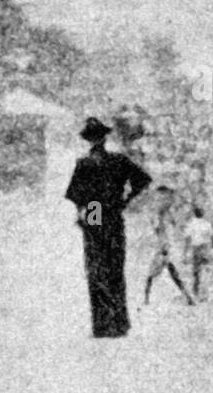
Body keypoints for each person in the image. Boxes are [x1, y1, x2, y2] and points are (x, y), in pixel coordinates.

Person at [64, 117, 152, 337]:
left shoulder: (84, 163)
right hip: (113, 212)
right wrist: (125, 199)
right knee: (115, 267)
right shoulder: (119, 160)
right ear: (105, 138)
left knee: (96, 268)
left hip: (94, 211)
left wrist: (84, 212)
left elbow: (76, 196)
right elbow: (143, 180)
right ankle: (119, 323)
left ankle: (102, 324)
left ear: (89, 140)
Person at [144, 186, 196, 306]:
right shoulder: (159, 214)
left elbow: (165, 227)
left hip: (162, 248)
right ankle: (188, 298)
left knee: (162, 274)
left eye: (166, 198)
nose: (167, 201)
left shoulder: (163, 214)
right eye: (163, 198)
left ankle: (146, 299)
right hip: (162, 248)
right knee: (168, 274)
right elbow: (158, 229)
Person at [183, 205, 213, 301]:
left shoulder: (191, 224)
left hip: (196, 248)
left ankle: (196, 293)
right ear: (203, 213)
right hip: (205, 248)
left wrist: (185, 253)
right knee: (206, 271)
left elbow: (187, 239)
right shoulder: (207, 224)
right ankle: (205, 294)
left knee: (196, 272)